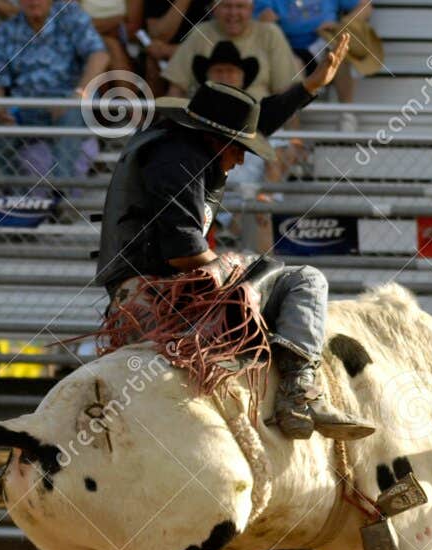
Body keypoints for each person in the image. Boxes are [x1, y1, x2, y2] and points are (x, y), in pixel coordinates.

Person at [95, 34, 372, 441]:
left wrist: (310, 85)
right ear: (217, 138)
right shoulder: (180, 162)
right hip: (160, 293)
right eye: (239, 147)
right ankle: (298, 393)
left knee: (255, 268)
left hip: (139, 291)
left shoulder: (180, 146)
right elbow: (184, 253)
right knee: (303, 279)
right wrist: (235, 268)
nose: (242, 157)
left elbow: (258, 118)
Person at [0, 0, 109, 186]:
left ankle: (60, 194)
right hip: (25, 110)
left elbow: (99, 56)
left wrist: (78, 95)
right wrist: (0, 110)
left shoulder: (70, 17)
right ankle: (22, 196)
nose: (33, 1)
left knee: (71, 115)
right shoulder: (6, 31)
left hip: (69, 103)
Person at [166, 0, 300, 99]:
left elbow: (285, 92)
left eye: (240, 6)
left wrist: (291, 136)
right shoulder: (200, 32)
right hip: (204, 123)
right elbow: (176, 88)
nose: (233, 13)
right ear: (214, 9)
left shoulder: (270, 33)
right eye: (226, 6)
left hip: (256, 124)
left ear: (251, 9)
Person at [253, 0, 369, 106]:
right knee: (291, 66)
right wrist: (265, 17)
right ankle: (292, 125)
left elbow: (365, 6)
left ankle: (347, 114)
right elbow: (259, 16)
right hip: (290, 47)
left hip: (324, 41)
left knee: (339, 55)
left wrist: (342, 25)